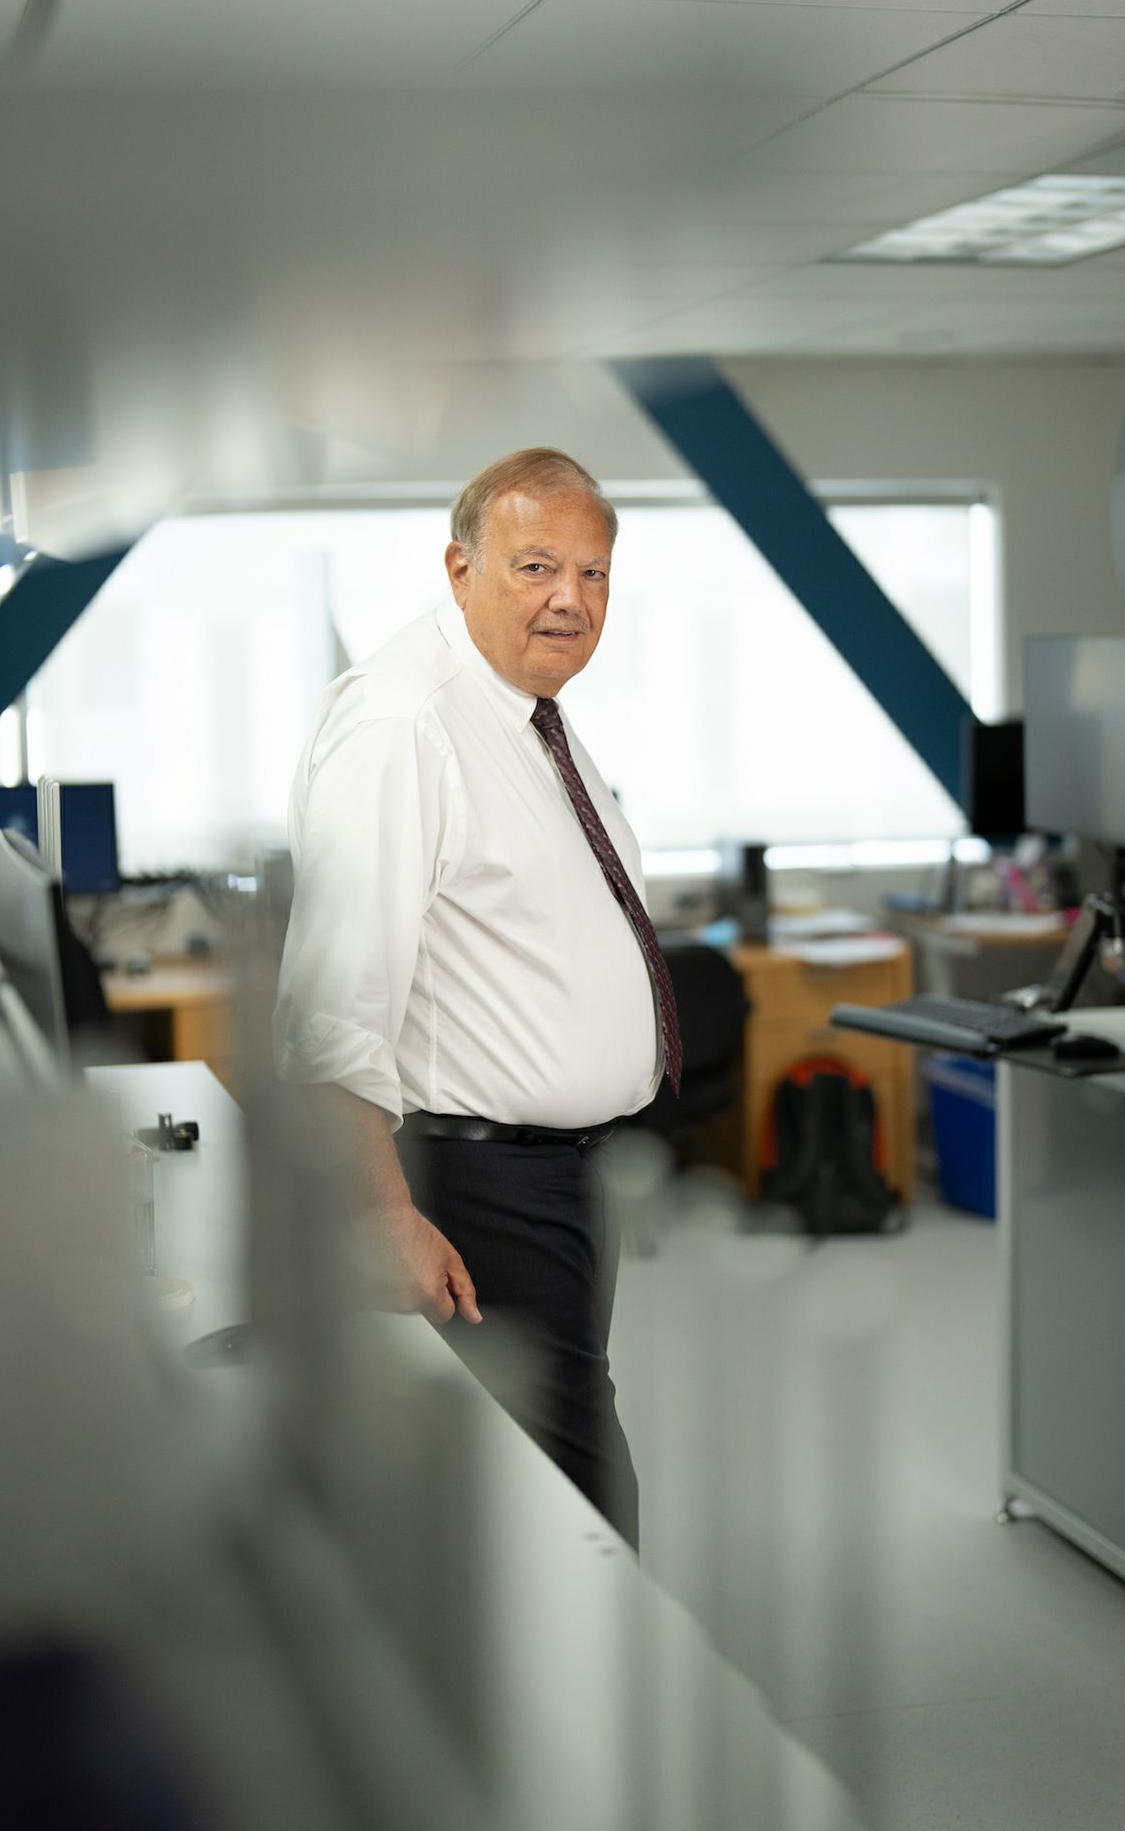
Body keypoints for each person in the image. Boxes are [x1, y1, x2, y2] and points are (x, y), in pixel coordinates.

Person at [274, 447, 681, 1550]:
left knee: (526, 1499)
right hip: (475, 1180)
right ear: (459, 568)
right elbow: (335, 998)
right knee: (577, 1507)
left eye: (593, 574)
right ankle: (589, 1720)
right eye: (535, 565)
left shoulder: (520, 705)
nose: (569, 598)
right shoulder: (407, 721)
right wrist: (379, 1210)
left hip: (555, 1177)